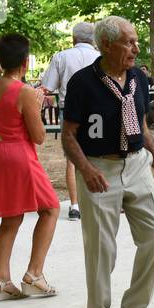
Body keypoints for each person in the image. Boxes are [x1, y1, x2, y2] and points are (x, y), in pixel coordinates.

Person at [61, 16, 154, 308]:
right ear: (107, 45)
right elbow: (68, 135)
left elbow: (141, 125)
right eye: (130, 42)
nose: (136, 48)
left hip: (138, 164)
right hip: (99, 168)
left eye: (136, 41)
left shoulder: (138, 77)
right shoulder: (83, 83)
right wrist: (85, 169)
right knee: (101, 250)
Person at [0, 34, 60, 302]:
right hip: (18, 153)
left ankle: (1, 281)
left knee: (11, 217)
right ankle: (34, 274)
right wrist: (36, 103)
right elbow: (38, 136)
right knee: (50, 208)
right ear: (25, 62)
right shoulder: (23, 91)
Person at [40, 22, 99, 221]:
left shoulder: (61, 57)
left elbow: (47, 86)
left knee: (72, 159)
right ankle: (100, 200)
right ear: (93, 39)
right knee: (100, 153)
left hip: (70, 110)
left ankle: (75, 206)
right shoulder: (101, 57)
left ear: (74, 38)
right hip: (98, 111)